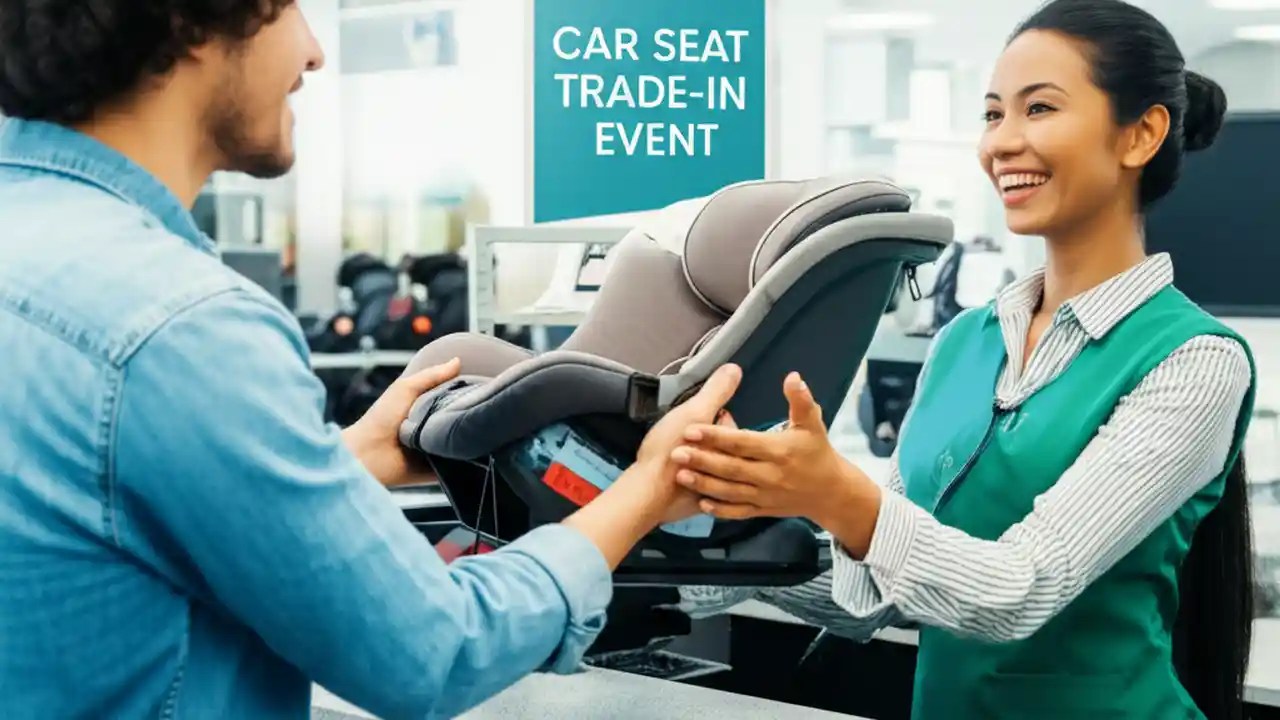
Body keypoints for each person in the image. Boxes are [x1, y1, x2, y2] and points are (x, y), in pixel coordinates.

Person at [0, 2, 742, 718]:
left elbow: (103, 515)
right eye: (287, 6)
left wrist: (354, 458)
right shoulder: (184, 331)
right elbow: (436, 652)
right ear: (193, 23)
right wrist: (644, 491)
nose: (314, 51)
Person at [672, 1, 1257, 718]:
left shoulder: (1194, 361)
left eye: (1038, 109)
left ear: (1140, 134)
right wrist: (728, 523)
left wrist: (837, 495)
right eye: (991, 115)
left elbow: (1021, 589)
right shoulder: (963, 342)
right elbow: (877, 597)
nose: (1002, 143)